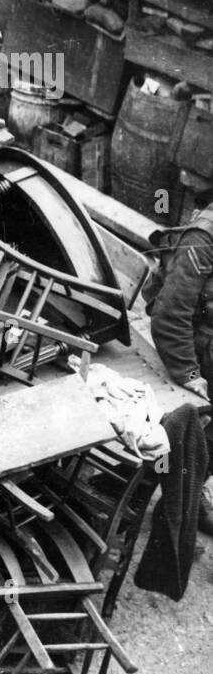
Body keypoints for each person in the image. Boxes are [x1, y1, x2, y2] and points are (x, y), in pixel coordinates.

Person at [150, 185, 213, 532]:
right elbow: (170, 314)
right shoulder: (203, 238)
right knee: (196, 442)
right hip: (198, 351)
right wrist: (189, 373)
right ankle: (183, 503)